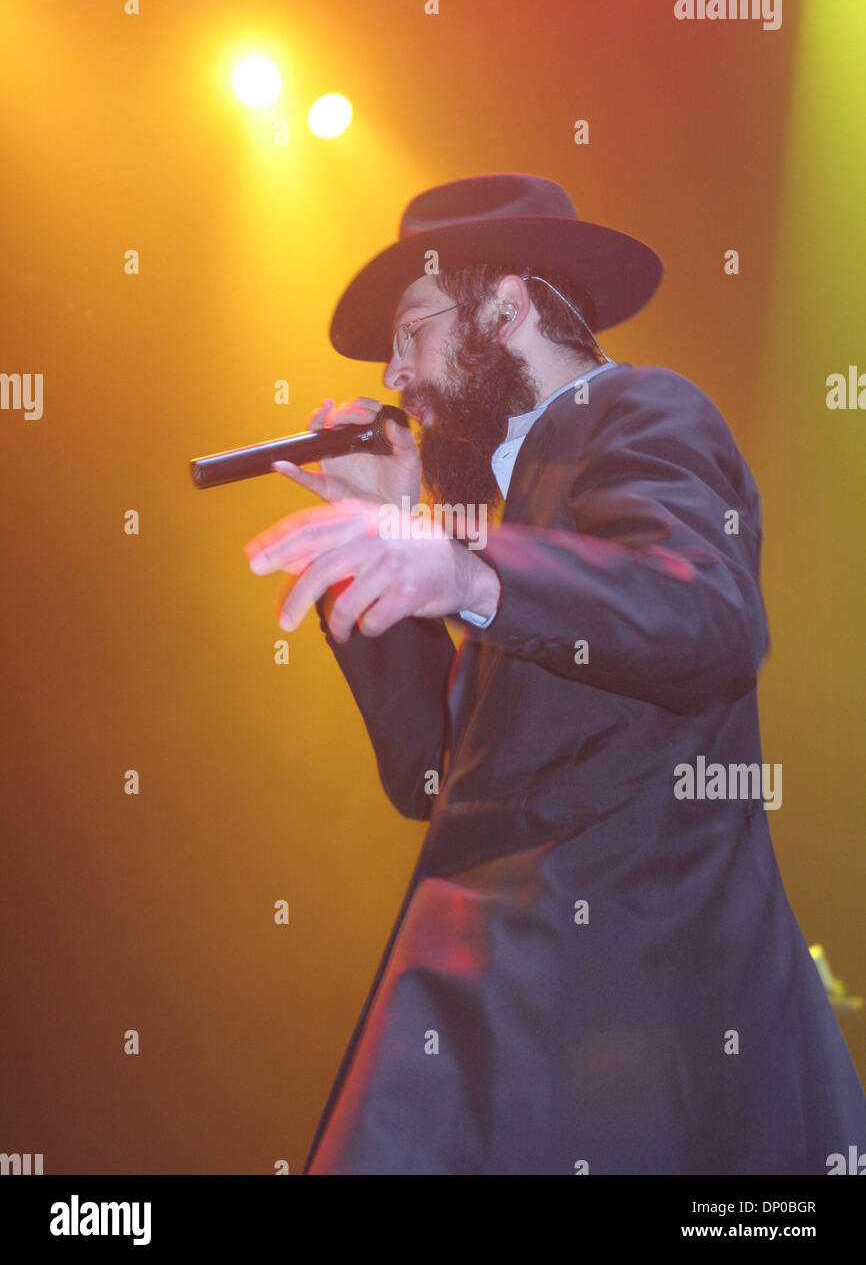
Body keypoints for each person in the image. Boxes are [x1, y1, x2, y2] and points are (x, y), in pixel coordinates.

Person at [245, 174, 866, 1174]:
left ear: (505, 304)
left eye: (410, 330)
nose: (393, 373)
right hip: (499, 996)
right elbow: (430, 778)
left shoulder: (638, 409)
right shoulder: (509, 517)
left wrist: (460, 569)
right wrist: (400, 538)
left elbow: (703, 613)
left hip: (629, 1007)